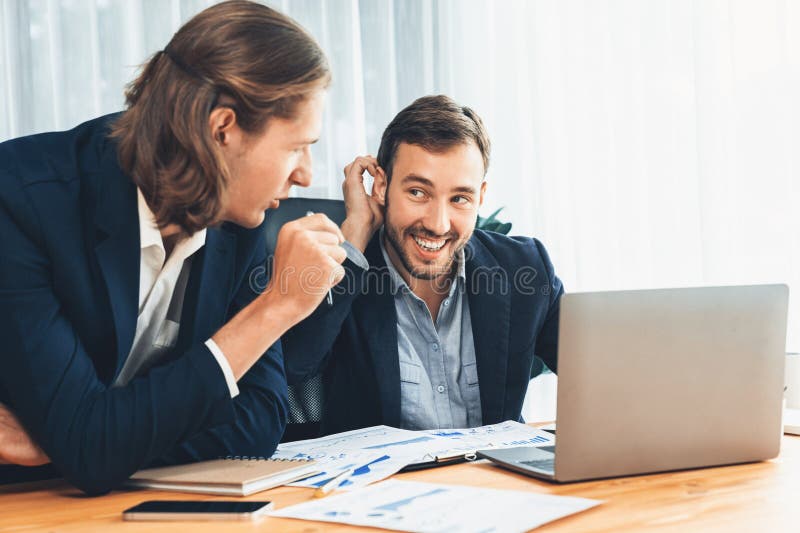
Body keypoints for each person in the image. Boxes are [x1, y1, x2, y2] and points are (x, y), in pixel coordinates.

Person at [0, 0, 346, 494]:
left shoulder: (243, 221)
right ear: (221, 129)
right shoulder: (21, 201)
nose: (306, 173)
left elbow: (258, 422)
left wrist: (80, 442)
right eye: (295, 146)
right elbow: (88, 447)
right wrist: (274, 308)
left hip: (103, 496)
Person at [283, 95, 564, 435]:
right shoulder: (346, 274)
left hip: (494, 482)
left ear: (480, 197)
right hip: (381, 485)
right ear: (382, 186)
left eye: (460, 198)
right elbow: (292, 367)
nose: (438, 223)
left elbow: (597, 376)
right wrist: (354, 236)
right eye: (418, 192)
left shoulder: (524, 269)